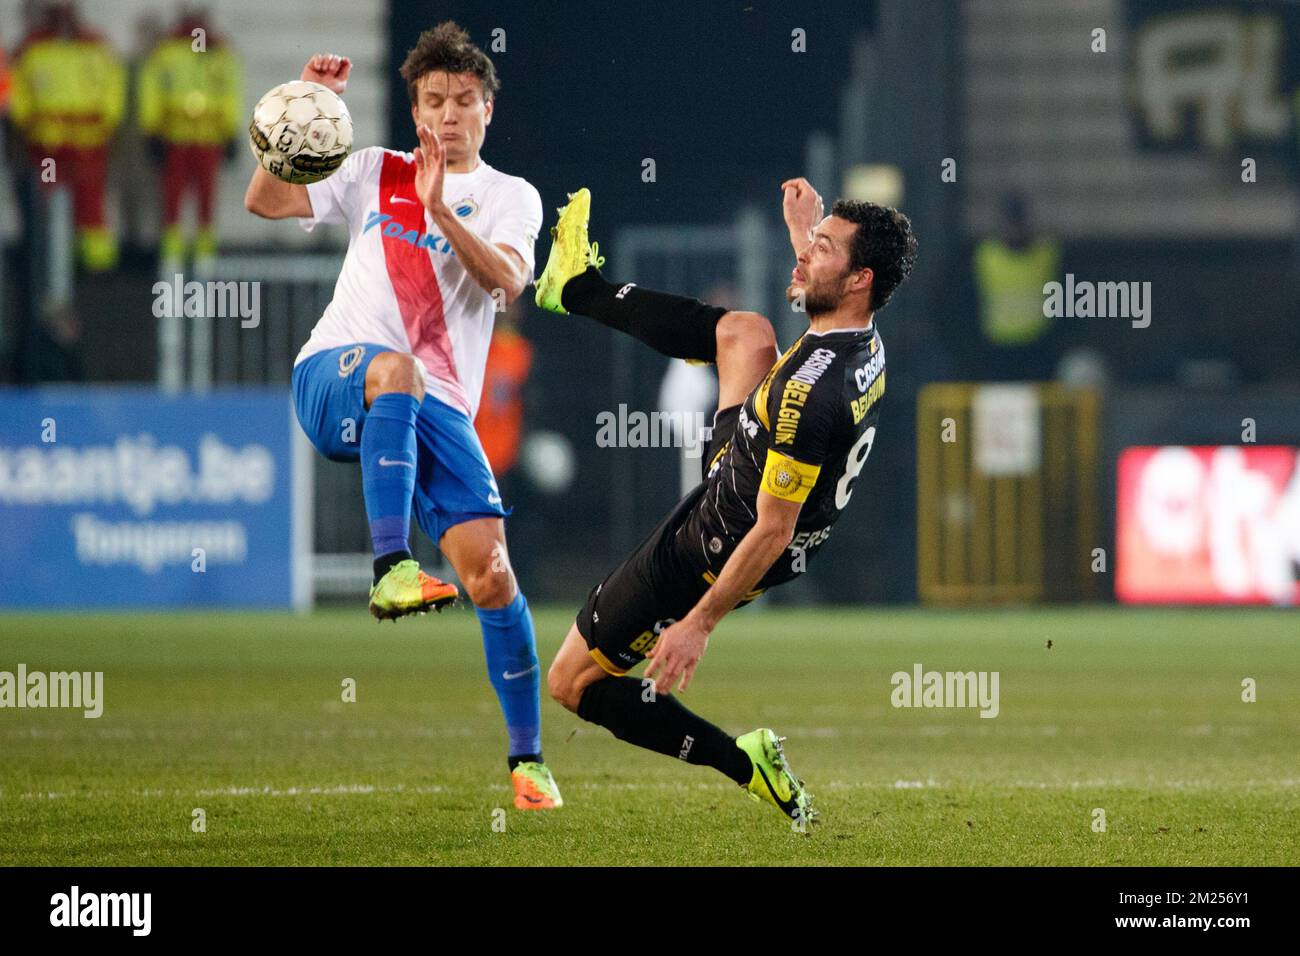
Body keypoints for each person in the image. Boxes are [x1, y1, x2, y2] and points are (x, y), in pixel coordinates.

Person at [244, 24, 559, 811]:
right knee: (397, 368)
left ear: (488, 109)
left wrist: (440, 213)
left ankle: (528, 764)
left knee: (492, 576)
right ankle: (390, 568)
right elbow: (264, 199)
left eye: (463, 100)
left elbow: (507, 284)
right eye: (433, 101)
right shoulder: (370, 170)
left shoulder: (512, 196)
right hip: (337, 375)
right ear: (415, 112)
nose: (448, 114)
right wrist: (308, 108)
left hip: (435, 407)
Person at [537, 180, 916, 822]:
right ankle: (576, 287)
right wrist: (805, 233)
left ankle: (744, 762)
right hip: (750, 472)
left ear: (860, 280)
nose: (805, 254)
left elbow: (771, 530)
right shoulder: (860, 338)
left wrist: (698, 624)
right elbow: (821, 301)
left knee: (571, 683)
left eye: (823, 249)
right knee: (744, 333)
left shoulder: (807, 396)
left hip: (716, 543)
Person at [8, 1, 126, 271]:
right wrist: (25, 123)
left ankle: (96, 266)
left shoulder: (96, 45)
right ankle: (50, 258)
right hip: (48, 145)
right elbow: (18, 90)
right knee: (48, 198)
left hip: (89, 142)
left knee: (90, 198)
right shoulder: (31, 47)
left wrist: (108, 122)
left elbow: (113, 86)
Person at [137, 6, 243, 274]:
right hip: (176, 138)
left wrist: (231, 131)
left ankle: (204, 260)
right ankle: (172, 259)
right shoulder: (167, 51)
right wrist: (151, 129)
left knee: (207, 199)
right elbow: (151, 89)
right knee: (172, 198)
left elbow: (230, 93)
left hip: (209, 139)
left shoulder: (220, 53)